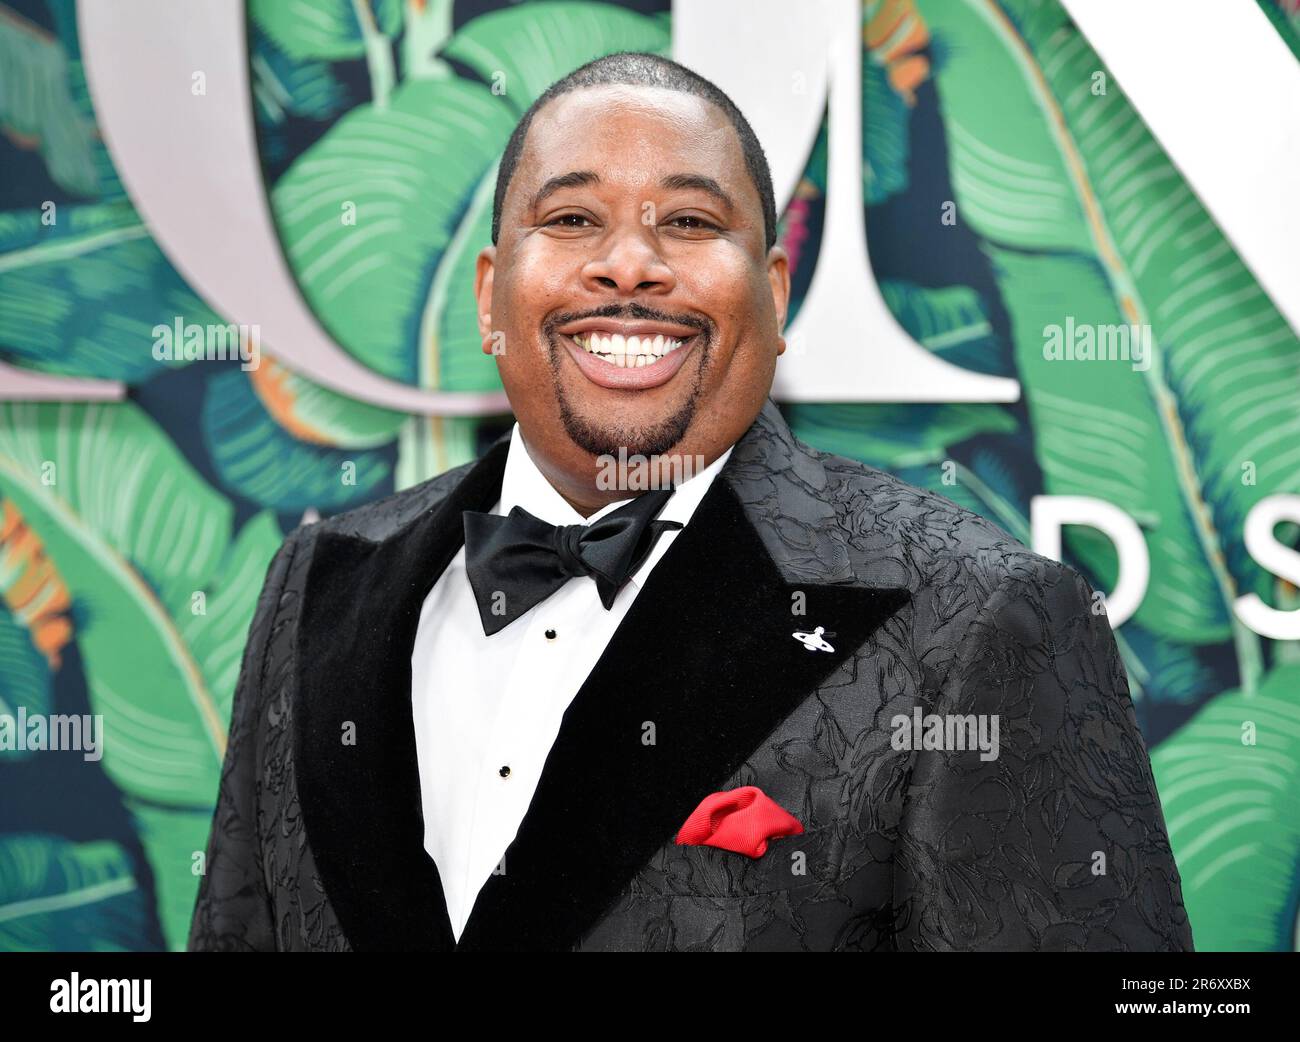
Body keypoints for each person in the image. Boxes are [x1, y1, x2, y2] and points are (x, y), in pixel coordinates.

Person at [188, 51, 1193, 952]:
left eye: (690, 221)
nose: (629, 262)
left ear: (774, 293)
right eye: (573, 217)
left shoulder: (980, 617)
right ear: (491, 294)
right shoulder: (318, 580)